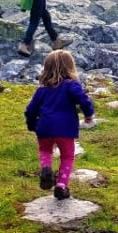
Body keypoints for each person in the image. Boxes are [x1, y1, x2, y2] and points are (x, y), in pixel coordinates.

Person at [24, 50, 94, 200]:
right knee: (67, 156)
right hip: (65, 129)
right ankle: (61, 185)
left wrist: (32, 125)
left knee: (45, 150)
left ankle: (46, 168)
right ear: (70, 67)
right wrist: (88, 114)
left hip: (44, 127)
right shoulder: (71, 85)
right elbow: (83, 99)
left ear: (46, 68)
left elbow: (30, 110)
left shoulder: (41, 90)